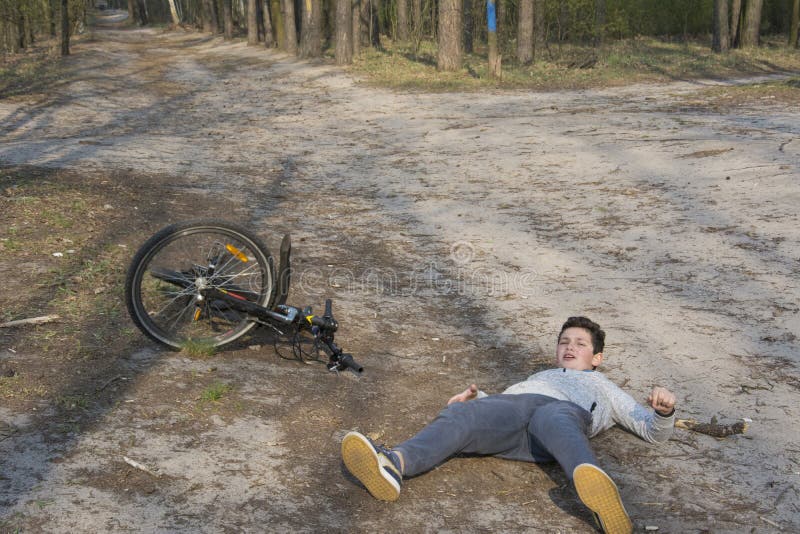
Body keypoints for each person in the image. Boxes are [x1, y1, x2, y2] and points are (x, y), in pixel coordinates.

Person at [341, 316, 676, 534]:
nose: (569, 347)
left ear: (597, 358)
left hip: (558, 419)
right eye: (564, 342)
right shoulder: (539, 376)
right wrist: (477, 398)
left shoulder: (603, 385)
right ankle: (393, 464)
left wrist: (663, 411)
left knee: (553, 416)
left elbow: (649, 429)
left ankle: (599, 496)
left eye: (580, 343)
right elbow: (508, 401)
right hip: (515, 414)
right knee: (462, 416)